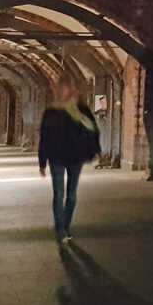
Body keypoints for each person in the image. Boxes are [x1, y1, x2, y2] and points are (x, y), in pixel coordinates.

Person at [38, 76, 101, 243]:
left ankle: (66, 226)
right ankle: (60, 229)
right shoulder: (51, 111)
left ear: (70, 90)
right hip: (56, 157)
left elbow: (93, 130)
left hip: (75, 156)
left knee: (71, 195)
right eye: (58, 89)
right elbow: (44, 136)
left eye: (63, 89)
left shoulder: (81, 109)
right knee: (58, 194)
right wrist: (42, 161)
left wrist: (95, 150)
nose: (59, 92)